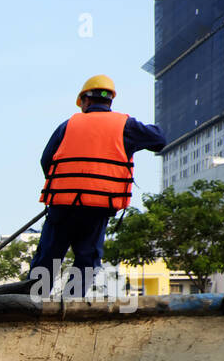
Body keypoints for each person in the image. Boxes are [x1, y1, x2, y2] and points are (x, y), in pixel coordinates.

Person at [29, 75, 166, 296]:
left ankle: (34, 303)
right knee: (87, 258)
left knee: (49, 256)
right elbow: (159, 138)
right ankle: (71, 306)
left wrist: (65, 187)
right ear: (110, 101)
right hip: (98, 206)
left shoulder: (68, 124)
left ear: (85, 100)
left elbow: (47, 159)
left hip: (62, 206)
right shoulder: (125, 126)